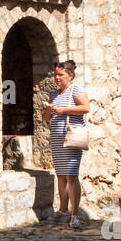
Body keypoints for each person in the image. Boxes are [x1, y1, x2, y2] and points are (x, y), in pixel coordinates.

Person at [44, 59, 91, 228]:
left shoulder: (76, 90)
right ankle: (63, 209)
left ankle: (75, 214)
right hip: (58, 141)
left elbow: (86, 107)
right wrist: (49, 110)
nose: (57, 78)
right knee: (61, 175)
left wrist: (64, 110)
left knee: (71, 176)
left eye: (60, 75)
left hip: (71, 140)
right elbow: (46, 118)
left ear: (70, 76)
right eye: (55, 74)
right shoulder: (54, 94)